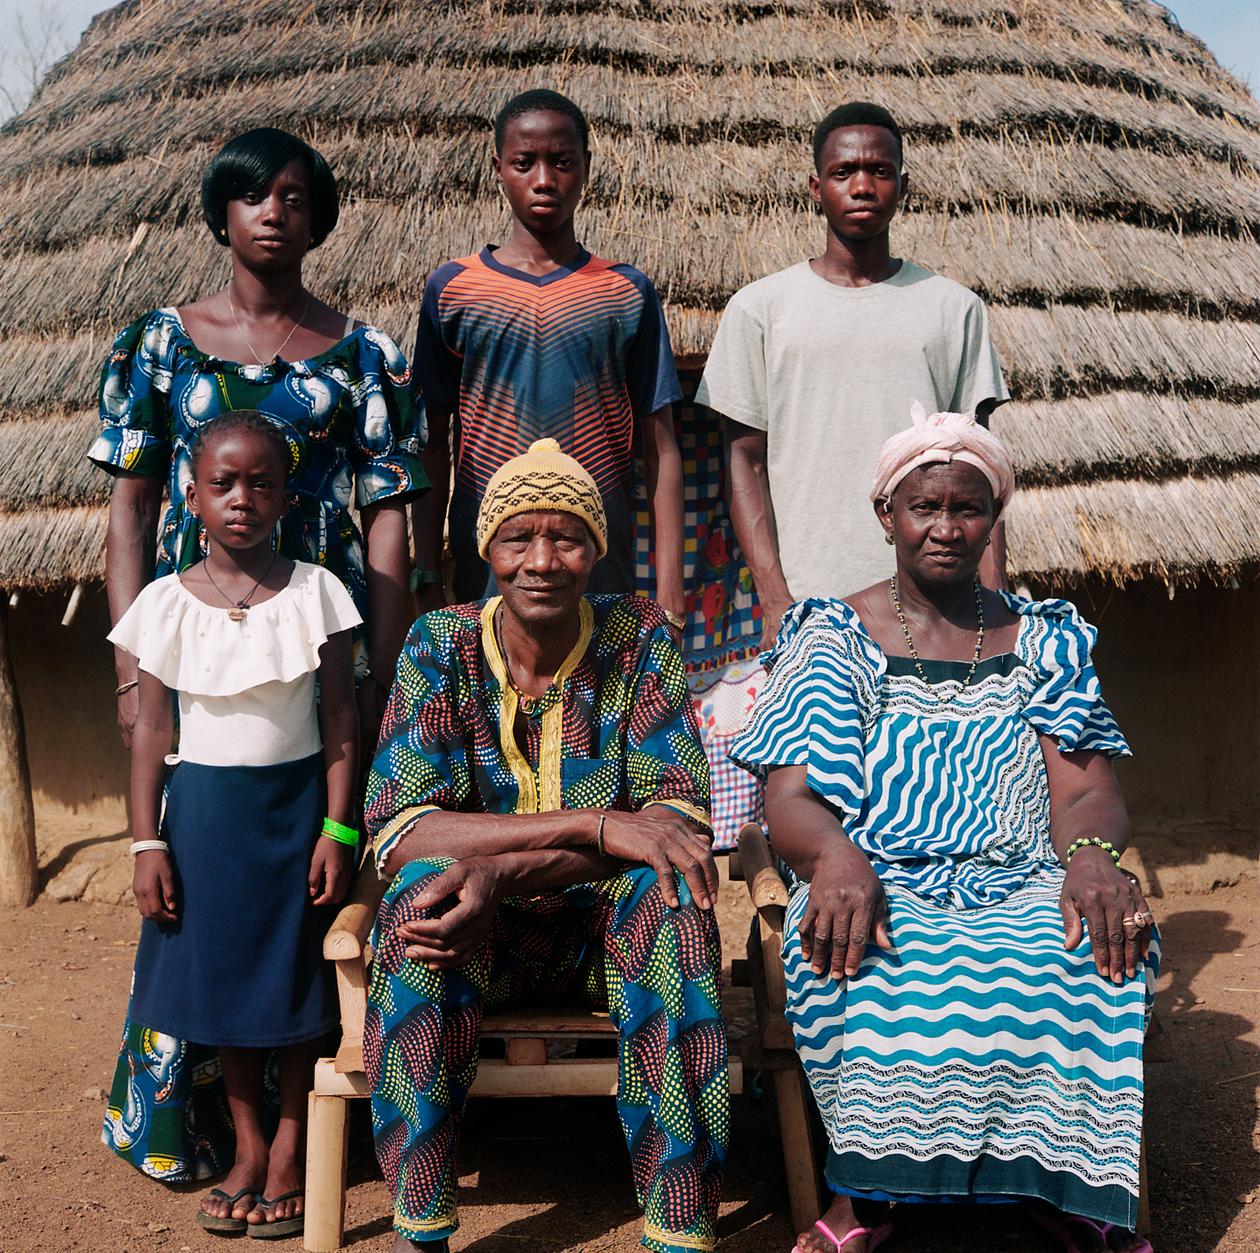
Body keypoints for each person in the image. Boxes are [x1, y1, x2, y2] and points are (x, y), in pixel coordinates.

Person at [730, 408, 1158, 1253]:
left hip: (1020, 876)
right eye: (924, 507)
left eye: (967, 509)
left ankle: (1062, 1196)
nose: (946, 527)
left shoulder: (1044, 639)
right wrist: (836, 852)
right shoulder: (834, 635)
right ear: (886, 514)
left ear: (993, 518)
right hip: (877, 872)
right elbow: (792, 797)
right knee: (894, 963)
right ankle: (869, 1201)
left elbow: (1085, 791)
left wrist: (1092, 858)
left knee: (1088, 950)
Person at [91, 128, 424, 1190]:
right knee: (201, 884)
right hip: (195, 636)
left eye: (294, 195)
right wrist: (134, 666)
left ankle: (313, 1124)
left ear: (317, 216)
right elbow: (131, 510)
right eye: (252, 195)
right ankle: (201, 1125)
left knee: (296, 898)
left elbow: (388, 528)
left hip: (312, 634)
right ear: (222, 214)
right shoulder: (158, 345)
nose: (274, 211)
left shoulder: (364, 355)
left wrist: (376, 677)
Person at [365, 439, 728, 1253]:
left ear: (596, 549)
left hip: (609, 938)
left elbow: (677, 824)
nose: (542, 560)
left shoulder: (639, 640)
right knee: (420, 895)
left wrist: (500, 861)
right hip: (476, 937)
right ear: (486, 549)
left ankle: (682, 1225)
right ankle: (421, 1228)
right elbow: (401, 830)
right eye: (518, 538)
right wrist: (592, 824)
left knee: (671, 896)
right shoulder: (440, 645)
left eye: (565, 537)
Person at [108, 413, 362, 1236]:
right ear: (192, 493)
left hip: (295, 817)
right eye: (223, 483)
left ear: (287, 497)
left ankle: (291, 1146)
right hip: (206, 821)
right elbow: (151, 730)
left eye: (261, 483)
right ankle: (248, 1147)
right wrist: (147, 840)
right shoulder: (163, 605)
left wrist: (340, 830)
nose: (242, 498)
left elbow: (341, 720)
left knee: (292, 977)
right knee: (225, 984)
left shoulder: (317, 592)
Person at [698, 101, 1010, 650]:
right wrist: (774, 600)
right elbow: (743, 460)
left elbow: (978, 466)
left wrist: (996, 595)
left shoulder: (953, 308)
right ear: (816, 188)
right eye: (844, 173)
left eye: (879, 171)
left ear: (903, 185)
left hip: (940, 606)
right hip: (809, 605)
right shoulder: (760, 309)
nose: (862, 186)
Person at [410, 89, 686, 626]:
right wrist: (425, 569)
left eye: (562, 162)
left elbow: (662, 448)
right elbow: (432, 443)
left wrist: (670, 591)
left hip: (599, 563)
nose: (543, 179)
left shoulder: (626, 292)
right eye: (524, 163)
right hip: (487, 565)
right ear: (498, 169)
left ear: (586, 168)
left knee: (596, 706)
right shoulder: (454, 289)